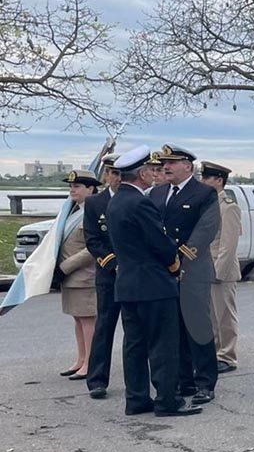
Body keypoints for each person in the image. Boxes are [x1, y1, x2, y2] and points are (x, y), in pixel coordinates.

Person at [107, 146, 201, 417]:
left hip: (127, 284)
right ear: (142, 173)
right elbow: (160, 243)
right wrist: (173, 260)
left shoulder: (115, 201)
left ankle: (136, 398)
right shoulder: (140, 202)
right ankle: (167, 400)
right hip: (153, 285)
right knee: (163, 345)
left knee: (134, 345)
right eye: (152, 170)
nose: (155, 174)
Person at [149, 145, 220, 404]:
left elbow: (206, 230)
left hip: (193, 270)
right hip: (164, 272)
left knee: (198, 327)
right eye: (164, 163)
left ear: (188, 166)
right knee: (173, 328)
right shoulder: (156, 194)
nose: (165, 166)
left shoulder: (204, 193)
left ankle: (205, 383)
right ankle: (183, 380)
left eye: (172, 162)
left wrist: (180, 260)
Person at [83, 155, 122, 399]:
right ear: (106, 175)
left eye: (121, 173)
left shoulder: (140, 199)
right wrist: (113, 263)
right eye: (113, 173)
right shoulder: (95, 202)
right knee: (105, 326)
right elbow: (92, 239)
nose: (117, 178)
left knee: (137, 330)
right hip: (108, 274)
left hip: (134, 274)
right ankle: (97, 380)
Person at [55, 170, 101, 381]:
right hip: (70, 276)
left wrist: (65, 267)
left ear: (90, 189)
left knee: (88, 320)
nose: (72, 190)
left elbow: (92, 248)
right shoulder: (73, 211)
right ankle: (81, 359)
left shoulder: (94, 211)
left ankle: (90, 362)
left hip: (84, 275)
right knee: (77, 319)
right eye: (71, 186)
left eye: (77, 186)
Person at [199, 161, 242, 374]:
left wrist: (217, 272)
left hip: (221, 272)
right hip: (204, 269)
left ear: (218, 180)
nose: (202, 181)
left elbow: (228, 244)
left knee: (224, 314)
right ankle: (215, 353)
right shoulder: (206, 205)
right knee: (211, 316)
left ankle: (227, 355)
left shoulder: (228, 207)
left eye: (206, 178)